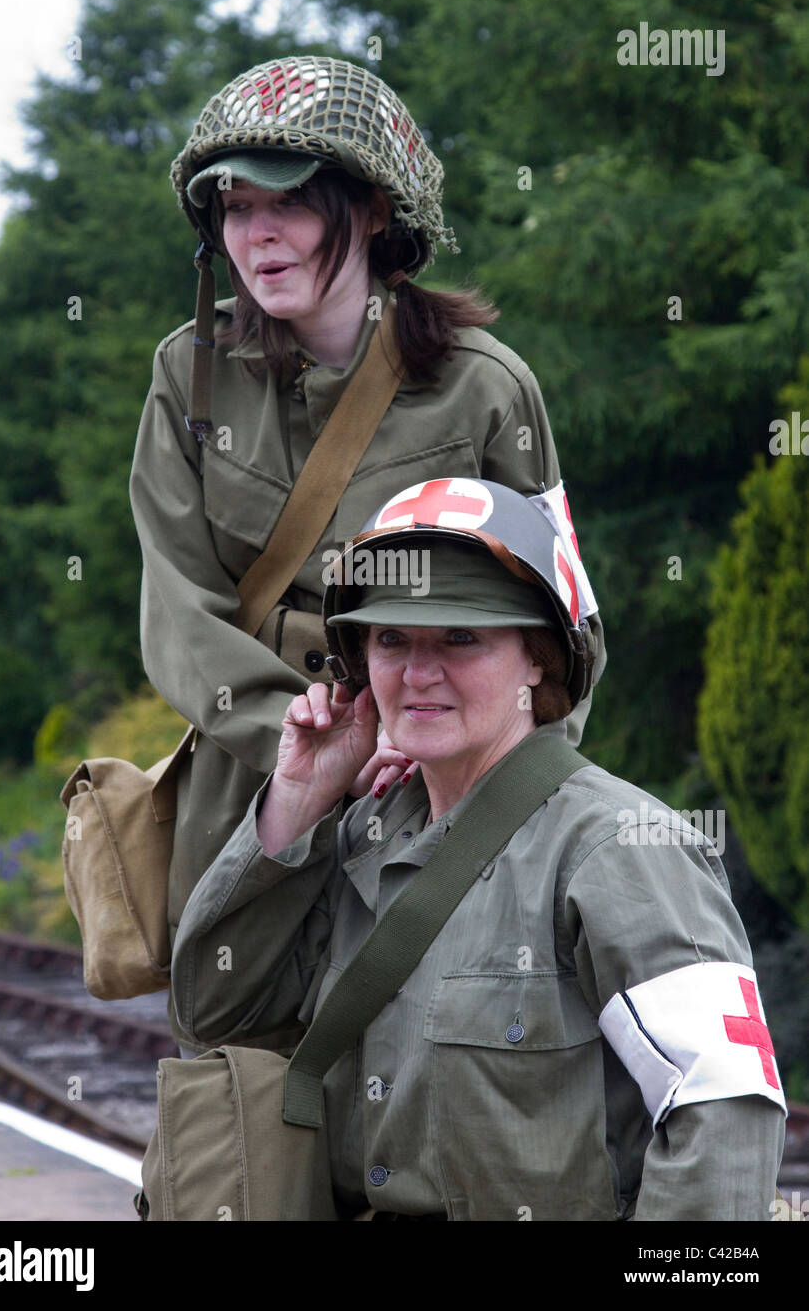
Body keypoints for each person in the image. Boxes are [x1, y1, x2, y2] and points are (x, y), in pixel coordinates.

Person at [129, 54, 605, 1052]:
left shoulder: (484, 386)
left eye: (290, 204)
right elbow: (178, 609)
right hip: (263, 777)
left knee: (445, 1058)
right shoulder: (190, 375)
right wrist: (302, 749)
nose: (255, 234)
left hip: (439, 773)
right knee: (238, 1072)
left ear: (372, 209)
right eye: (233, 206)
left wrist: (504, 789)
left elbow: (562, 622)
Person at [170, 477, 786, 1221]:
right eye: (392, 638)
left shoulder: (620, 850)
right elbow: (212, 1008)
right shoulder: (364, 835)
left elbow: (723, 1108)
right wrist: (299, 800)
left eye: (462, 636)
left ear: (537, 659)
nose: (420, 673)